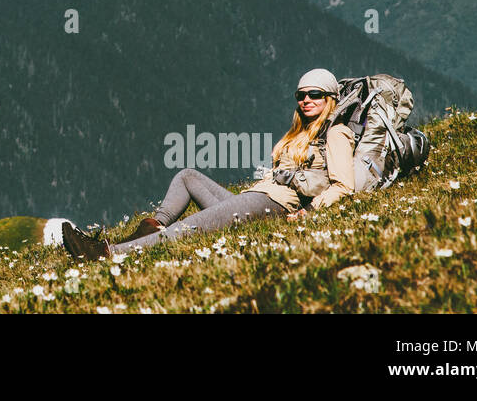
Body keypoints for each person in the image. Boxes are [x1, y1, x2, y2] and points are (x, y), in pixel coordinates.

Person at [61, 68, 356, 261]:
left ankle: (104, 254)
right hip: (256, 198)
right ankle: (152, 227)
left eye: (314, 95)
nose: (306, 100)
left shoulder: (336, 133)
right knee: (188, 175)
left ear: (330, 98)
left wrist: (310, 211)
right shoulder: (300, 132)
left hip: (276, 205)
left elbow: (344, 185)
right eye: (301, 95)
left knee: (189, 228)